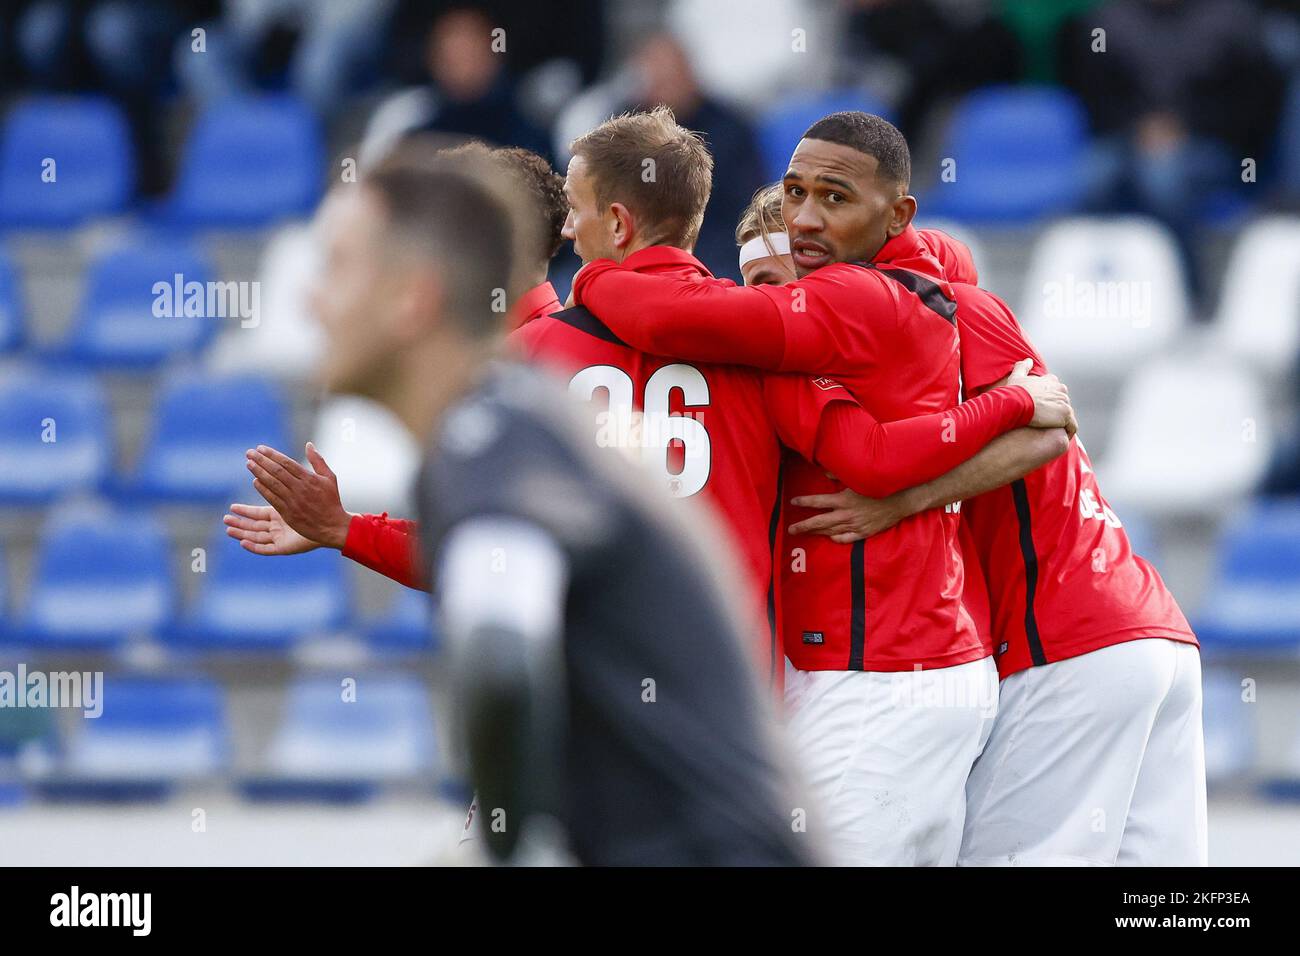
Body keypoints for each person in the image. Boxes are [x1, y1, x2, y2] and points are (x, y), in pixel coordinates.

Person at [264, 137, 814, 865]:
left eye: (337, 267)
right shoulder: (513, 420)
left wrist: (504, 841)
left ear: (414, 298)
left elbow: (500, 658)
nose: (310, 298)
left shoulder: (498, 427)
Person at [568, 110, 1075, 865]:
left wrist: (596, 274)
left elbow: (898, 450)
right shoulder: (885, 304)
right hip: (898, 670)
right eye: (751, 285)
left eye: (776, 281)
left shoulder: (840, 319)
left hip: (887, 674)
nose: (763, 302)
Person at [794, 228, 1207, 866]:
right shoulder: (971, 315)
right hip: (1149, 631)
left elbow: (1046, 436)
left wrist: (899, 502)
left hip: (1065, 643)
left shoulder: (946, 314)